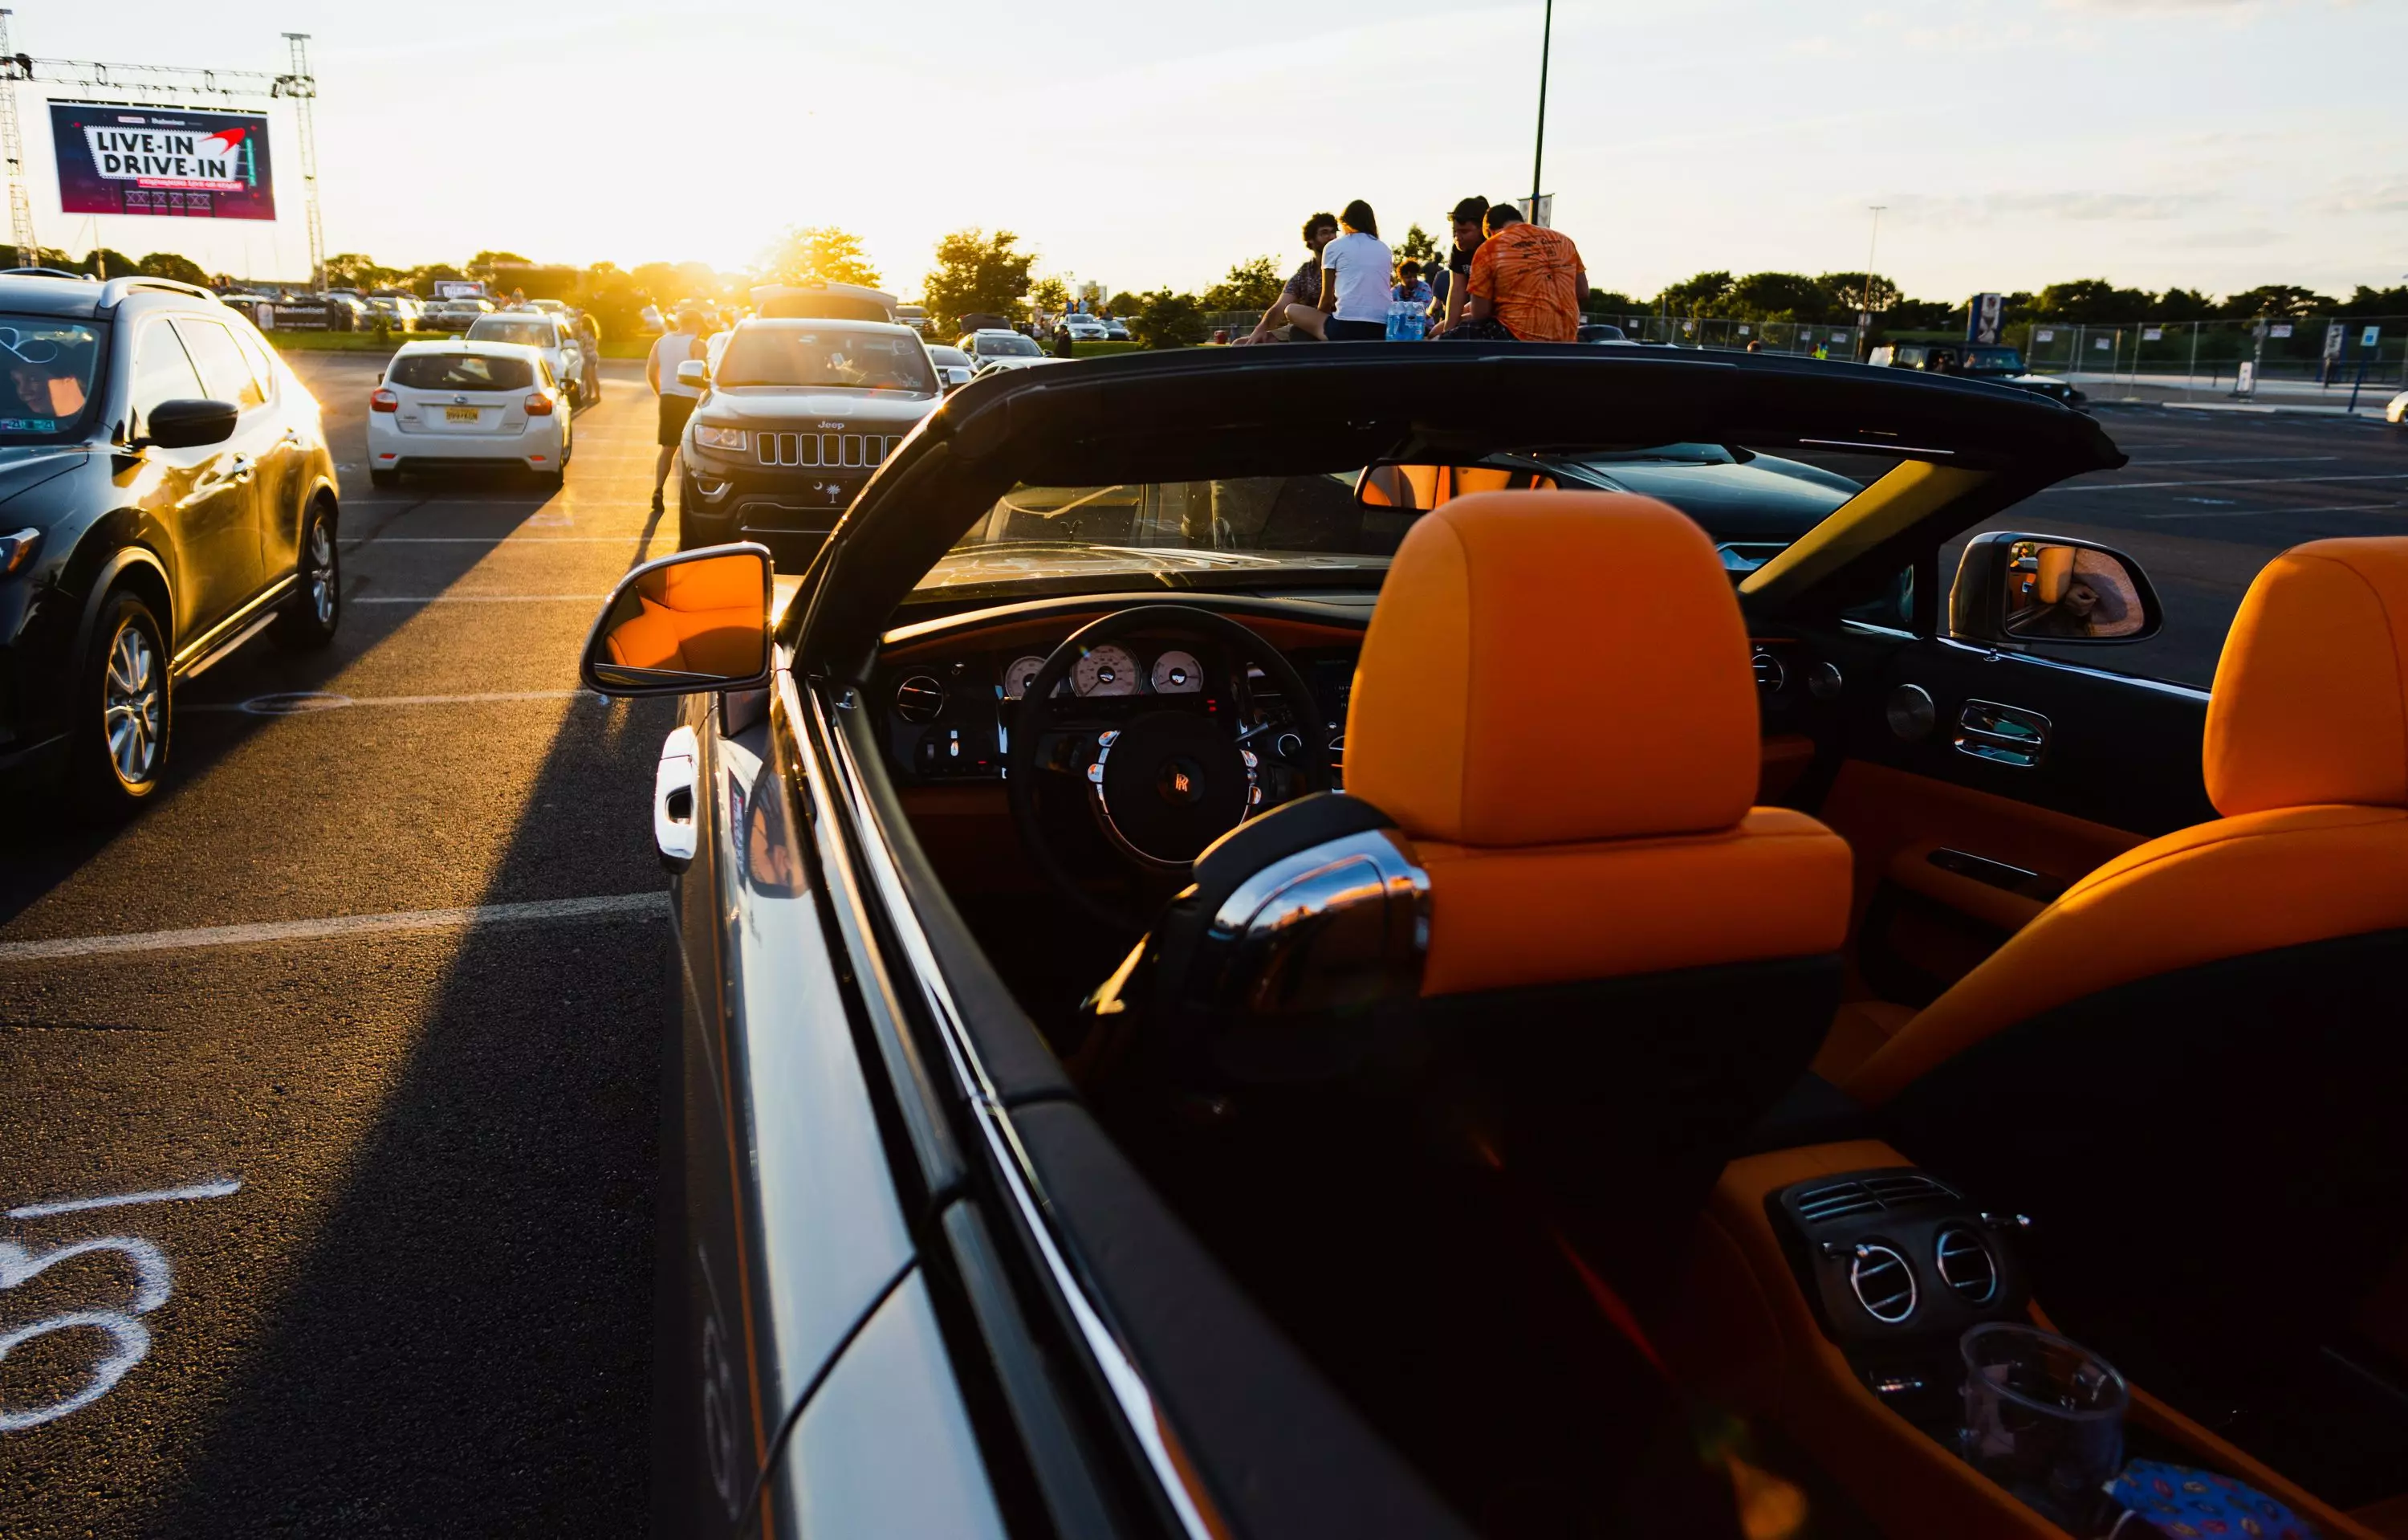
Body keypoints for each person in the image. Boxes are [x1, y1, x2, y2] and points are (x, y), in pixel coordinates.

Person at [1446, 203, 1588, 343]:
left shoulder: (1490, 248)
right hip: (1567, 337)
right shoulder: (1565, 241)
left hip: (1518, 337)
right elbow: (1583, 292)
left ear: (1489, 231)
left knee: (1450, 337)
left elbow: (1480, 313)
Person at [1239, 212, 1339, 344]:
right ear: (1311, 239)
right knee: (1241, 344)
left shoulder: (1345, 266)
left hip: (1336, 325)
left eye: (1334, 232)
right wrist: (1260, 329)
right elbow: (1280, 306)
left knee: (1301, 334)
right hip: (1306, 324)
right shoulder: (1304, 273)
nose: (1331, 237)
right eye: (1325, 233)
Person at [647, 304, 706, 515]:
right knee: (696, 450)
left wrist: (661, 392)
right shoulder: (697, 344)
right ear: (696, 324)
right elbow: (703, 374)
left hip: (668, 398)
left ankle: (658, 489)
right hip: (690, 400)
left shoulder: (661, 342)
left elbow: (652, 369)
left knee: (668, 448)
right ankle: (692, 496)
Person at [1314, 201, 1394, 342]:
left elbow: (1326, 300)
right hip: (1382, 328)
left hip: (1346, 328)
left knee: (1291, 310)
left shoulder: (1333, 247)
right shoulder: (1385, 249)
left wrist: (1319, 321)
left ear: (1345, 222)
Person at [1436, 196, 1489, 336]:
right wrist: (1448, 331)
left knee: (1462, 325)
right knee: (1436, 332)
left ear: (1482, 229)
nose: (1458, 237)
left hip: (1496, 311)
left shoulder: (1492, 248)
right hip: (1477, 306)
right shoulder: (1458, 250)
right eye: (1455, 231)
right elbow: (1456, 290)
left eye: (1464, 231)